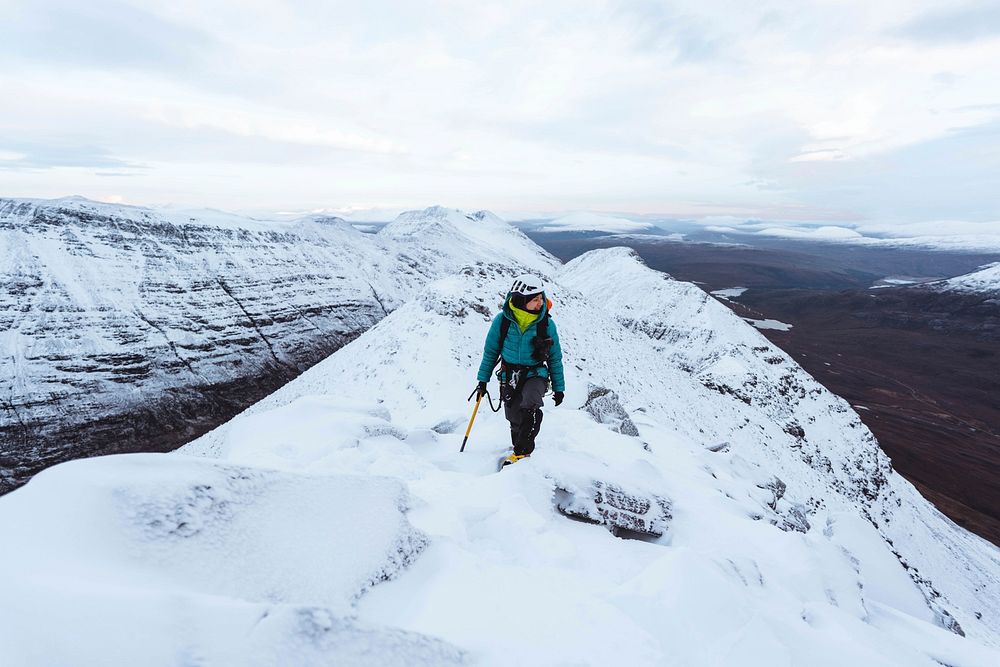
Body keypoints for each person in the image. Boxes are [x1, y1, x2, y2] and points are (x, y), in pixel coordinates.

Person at [475, 274, 565, 465]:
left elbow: (555, 358)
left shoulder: (546, 324)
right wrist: (482, 380)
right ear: (522, 300)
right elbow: (491, 351)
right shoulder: (503, 321)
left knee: (530, 406)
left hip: (535, 373)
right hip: (509, 374)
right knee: (514, 416)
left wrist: (559, 388)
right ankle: (518, 446)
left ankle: (522, 453)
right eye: (535, 299)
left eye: (541, 298)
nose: (540, 303)